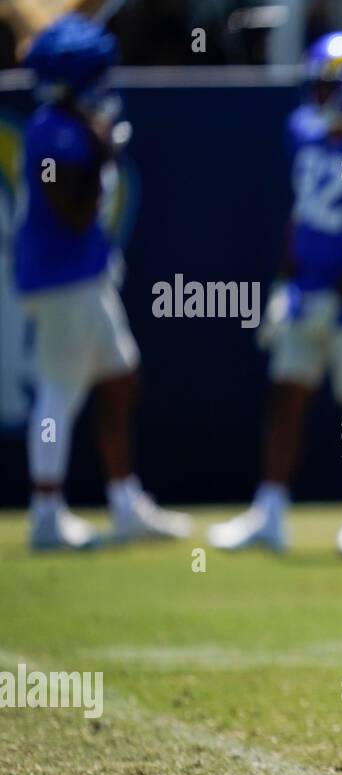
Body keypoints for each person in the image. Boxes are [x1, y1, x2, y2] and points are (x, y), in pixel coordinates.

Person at [208, 32, 342, 556]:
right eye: (317, 87)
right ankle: (271, 512)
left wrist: (336, 295)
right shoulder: (303, 131)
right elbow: (300, 218)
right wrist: (285, 285)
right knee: (285, 398)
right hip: (304, 292)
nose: (319, 98)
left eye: (329, 87)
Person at [18, 14, 191, 550]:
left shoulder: (71, 126)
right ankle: (46, 512)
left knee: (119, 380)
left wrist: (99, 146)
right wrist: (101, 152)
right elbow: (70, 209)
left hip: (86, 277)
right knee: (59, 392)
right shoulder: (56, 133)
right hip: (63, 280)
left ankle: (123, 503)